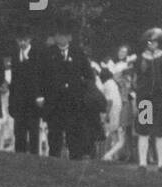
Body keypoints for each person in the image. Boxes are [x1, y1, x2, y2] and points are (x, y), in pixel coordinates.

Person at [38, 20, 96, 160]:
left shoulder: (78, 53)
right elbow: (40, 76)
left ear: (69, 37)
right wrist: (40, 95)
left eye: (64, 35)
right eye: (58, 35)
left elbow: (89, 76)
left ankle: (75, 160)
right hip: (54, 102)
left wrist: (81, 91)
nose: (60, 38)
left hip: (73, 102)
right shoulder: (48, 53)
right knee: (54, 135)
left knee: (74, 134)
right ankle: (54, 161)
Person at [133, 27, 162, 171]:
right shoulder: (140, 58)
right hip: (145, 100)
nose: (152, 44)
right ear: (146, 43)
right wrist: (137, 97)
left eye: (155, 42)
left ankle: (161, 163)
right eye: (150, 42)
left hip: (160, 99)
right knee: (143, 130)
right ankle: (142, 163)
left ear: (158, 42)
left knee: (160, 130)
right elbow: (135, 80)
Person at [8, 26, 43, 154]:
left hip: (33, 101)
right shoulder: (15, 55)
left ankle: (34, 159)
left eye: (25, 40)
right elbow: (13, 80)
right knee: (19, 134)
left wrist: (40, 96)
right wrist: (12, 102)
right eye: (19, 40)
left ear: (29, 39)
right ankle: (19, 158)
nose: (22, 43)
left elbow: (41, 77)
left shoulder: (37, 54)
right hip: (19, 101)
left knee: (33, 133)